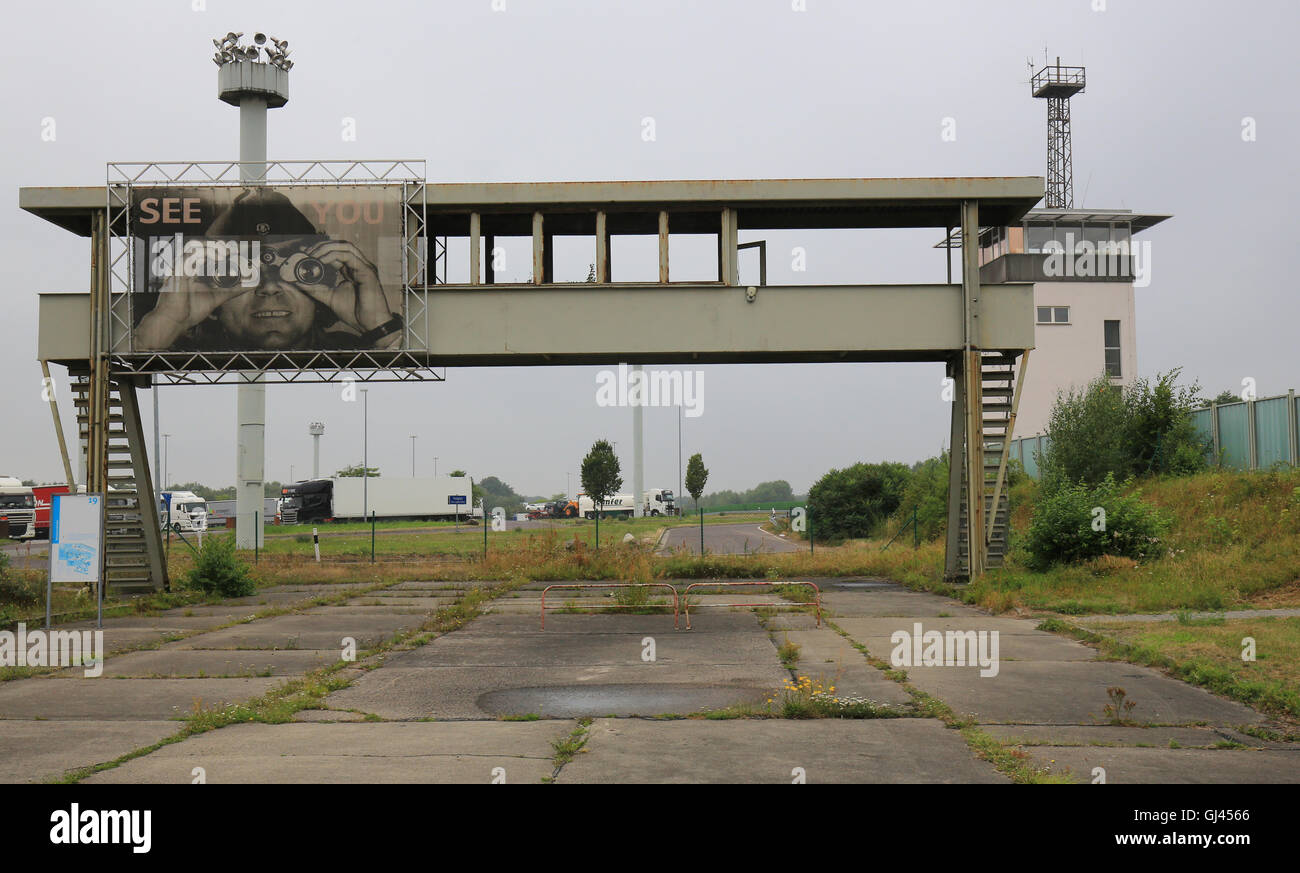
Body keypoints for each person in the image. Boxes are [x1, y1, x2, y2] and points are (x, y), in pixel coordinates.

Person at [134, 189, 402, 352]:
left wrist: (379, 328)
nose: (270, 288)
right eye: (236, 272)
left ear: (325, 274)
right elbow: (120, 364)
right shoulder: (179, 352)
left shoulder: (353, 349)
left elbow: (412, 361)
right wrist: (168, 321)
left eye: (296, 270)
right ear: (204, 285)